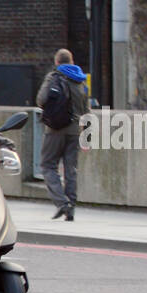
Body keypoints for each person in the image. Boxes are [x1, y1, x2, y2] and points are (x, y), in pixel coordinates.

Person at [36, 47, 89, 220]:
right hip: (75, 130)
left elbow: (41, 99)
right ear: (72, 61)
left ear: (57, 62)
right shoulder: (81, 81)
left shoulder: (53, 77)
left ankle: (62, 202)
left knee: (47, 165)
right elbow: (87, 111)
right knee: (71, 169)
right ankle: (71, 206)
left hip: (55, 129)